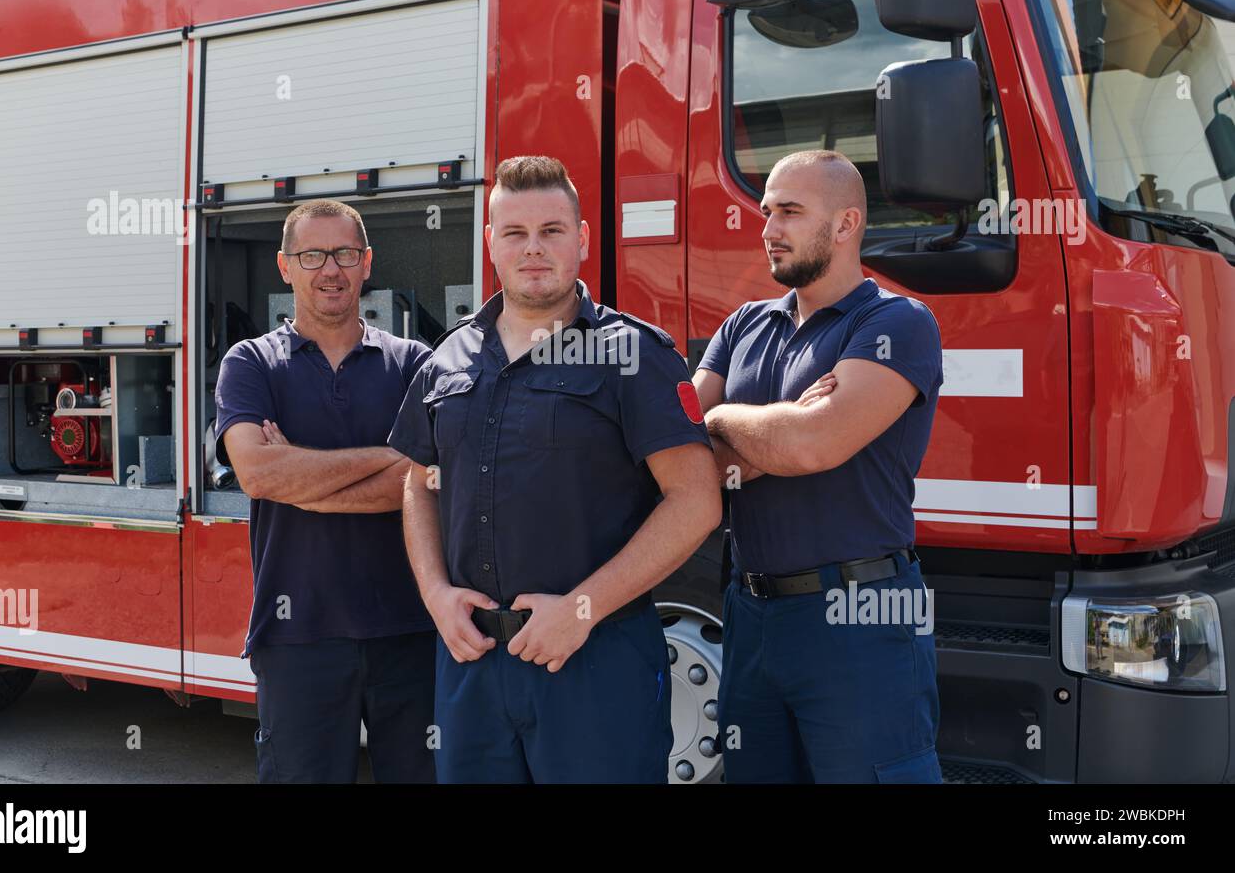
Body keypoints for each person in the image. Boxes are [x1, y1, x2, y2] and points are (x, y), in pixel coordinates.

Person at [388, 155, 721, 783]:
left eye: (552, 231)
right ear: (490, 244)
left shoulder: (633, 356)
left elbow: (696, 500)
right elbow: (419, 482)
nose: (533, 249)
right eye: (514, 233)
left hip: (594, 663)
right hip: (473, 663)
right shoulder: (448, 357)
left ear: (583, 239)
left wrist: (582, 610)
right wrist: (435, 594)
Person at [692, 150, 944, 783]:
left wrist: (728, 423)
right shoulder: (742, 324)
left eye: (791, 212)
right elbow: (684, 451)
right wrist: (770, 431)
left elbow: (814, 446)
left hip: (859, 616)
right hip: (749, 616)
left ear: (845, 224)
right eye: (768, 211)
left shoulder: (897, 323)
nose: (769, 229)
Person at [215, 199, 436, 783]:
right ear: (285, 267)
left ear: (367, 263)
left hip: (411, 630)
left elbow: (429, 480)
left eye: (343, 253)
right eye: (312, 255)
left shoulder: (415, 363)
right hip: (296, 635)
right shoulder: (251, 363)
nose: (329, 269)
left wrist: (301, 476)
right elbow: (258, 475)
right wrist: (391, 459)